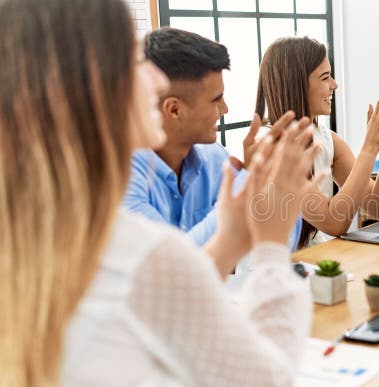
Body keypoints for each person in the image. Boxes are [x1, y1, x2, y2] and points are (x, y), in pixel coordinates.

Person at [0, 0, 319, 385]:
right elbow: (270, 380)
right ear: (95, 91)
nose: (153, 81)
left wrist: (235, 233)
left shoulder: (37, 243)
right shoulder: (133, 246)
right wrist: (268, 252)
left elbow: (168, 292)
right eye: (134, 65)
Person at [124, 28, 296, 247]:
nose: (225, 109)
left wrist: (273, 183)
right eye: (216, 99)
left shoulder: (214, 159)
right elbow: (176, 263)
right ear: (174, 110)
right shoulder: (122, 181)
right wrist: (249, 182)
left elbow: (271, 245)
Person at [256, 36, 379, 248]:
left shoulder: (326, 138)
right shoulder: (268, 147)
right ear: (296, 83)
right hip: (273, 271)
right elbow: (334, 223)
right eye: (325, 77)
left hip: (310, 259)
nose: (334, 85)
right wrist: (370, 147)